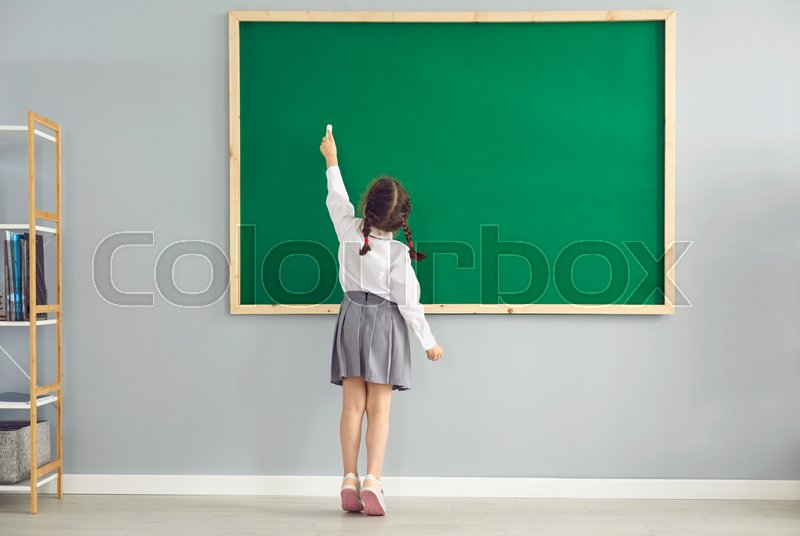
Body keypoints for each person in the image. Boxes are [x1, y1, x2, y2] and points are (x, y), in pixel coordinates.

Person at [320, 127, 445, 516]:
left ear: (367, 208)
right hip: (384, 325)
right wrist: (428, 342)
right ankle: (373, 479)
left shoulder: (348, 232)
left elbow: (337, 201)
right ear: (399, 218)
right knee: (381, 410)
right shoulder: (397, 253)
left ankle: (348, 477)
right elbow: (410, 303)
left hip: (350, 317)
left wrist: (332, 161)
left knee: (350, 407)